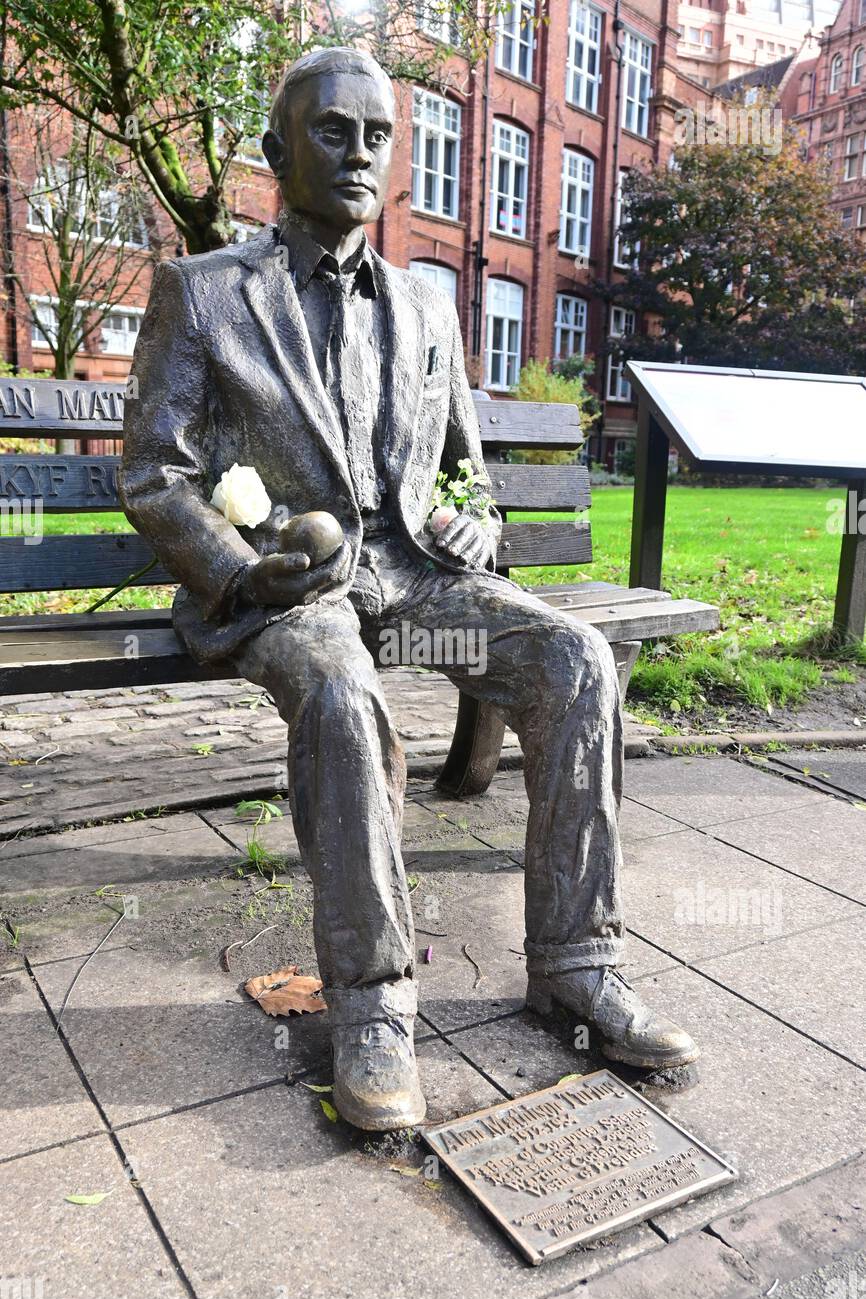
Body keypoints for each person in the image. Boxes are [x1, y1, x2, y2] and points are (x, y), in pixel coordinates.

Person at [120, 47, 698, 1132]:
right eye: (331, 130)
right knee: (345, 701)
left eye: (378, 135)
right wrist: (241, 566)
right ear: (276, 149)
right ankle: (374, 1004)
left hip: (417, 582)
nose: (357, 153)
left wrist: (473, 512)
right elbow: (154, 470)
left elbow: (458, 465)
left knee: (571, 659)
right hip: (289, 592)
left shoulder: (427, 305)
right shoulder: (202, 293)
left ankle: (575, 963)